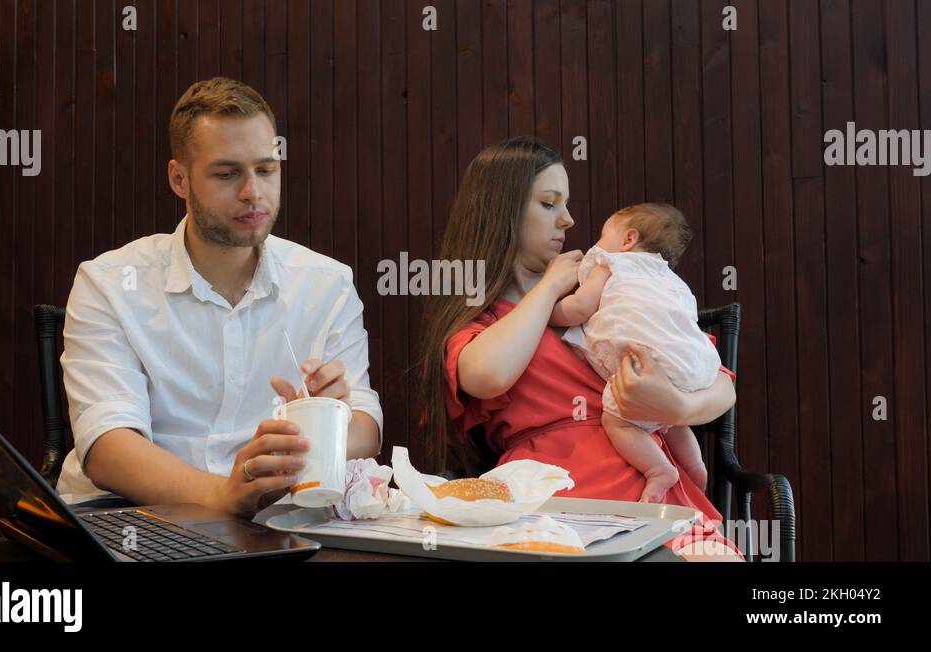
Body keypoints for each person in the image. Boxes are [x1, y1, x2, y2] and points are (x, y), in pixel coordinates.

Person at [55, 77, 382, 516]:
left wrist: (328, 422)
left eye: (266, 169)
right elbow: (108, 448)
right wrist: (223, 496)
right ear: (179, 179)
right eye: (227, 174)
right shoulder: (109, 283)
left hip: (274, 518)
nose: (253, 192)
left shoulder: (327, 283)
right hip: (132, 512)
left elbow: (366, 428)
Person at [417, 137, 744, 561]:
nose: (569, 220)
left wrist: (678, 406)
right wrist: (550, 286)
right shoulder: (487, 321)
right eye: (549, 203)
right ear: (502, 210)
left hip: (647, 487)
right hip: (551, 501)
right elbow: (487, 375)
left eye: (566, 204)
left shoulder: (609, 291)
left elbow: (718, 381)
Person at [550, 203, 720, 504]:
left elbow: (579, 307)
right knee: (674, 419)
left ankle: (659, 469)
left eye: (603, 235)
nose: (597, 243)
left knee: (618, 420)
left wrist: (546, 309)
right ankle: (696, 465)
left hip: (642, 361)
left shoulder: (609, 262)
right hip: (697, 365)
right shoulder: (670, 279)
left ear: (628, 239)